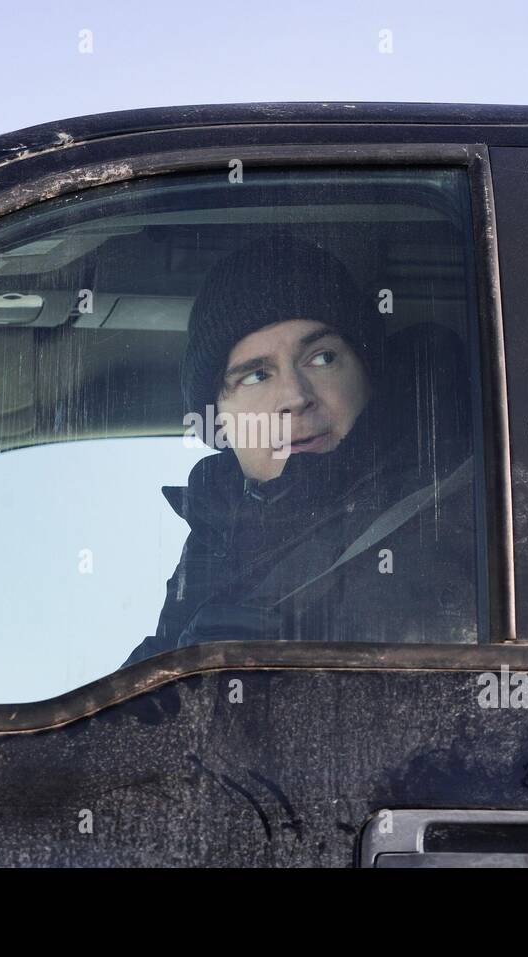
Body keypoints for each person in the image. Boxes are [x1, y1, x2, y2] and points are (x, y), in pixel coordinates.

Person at [123, 235, 478, 667]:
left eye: (322, 358)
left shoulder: (462, 504)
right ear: (220, 422)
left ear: (367, 374)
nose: (295, 396)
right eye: (256, 376)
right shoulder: (210, 549)